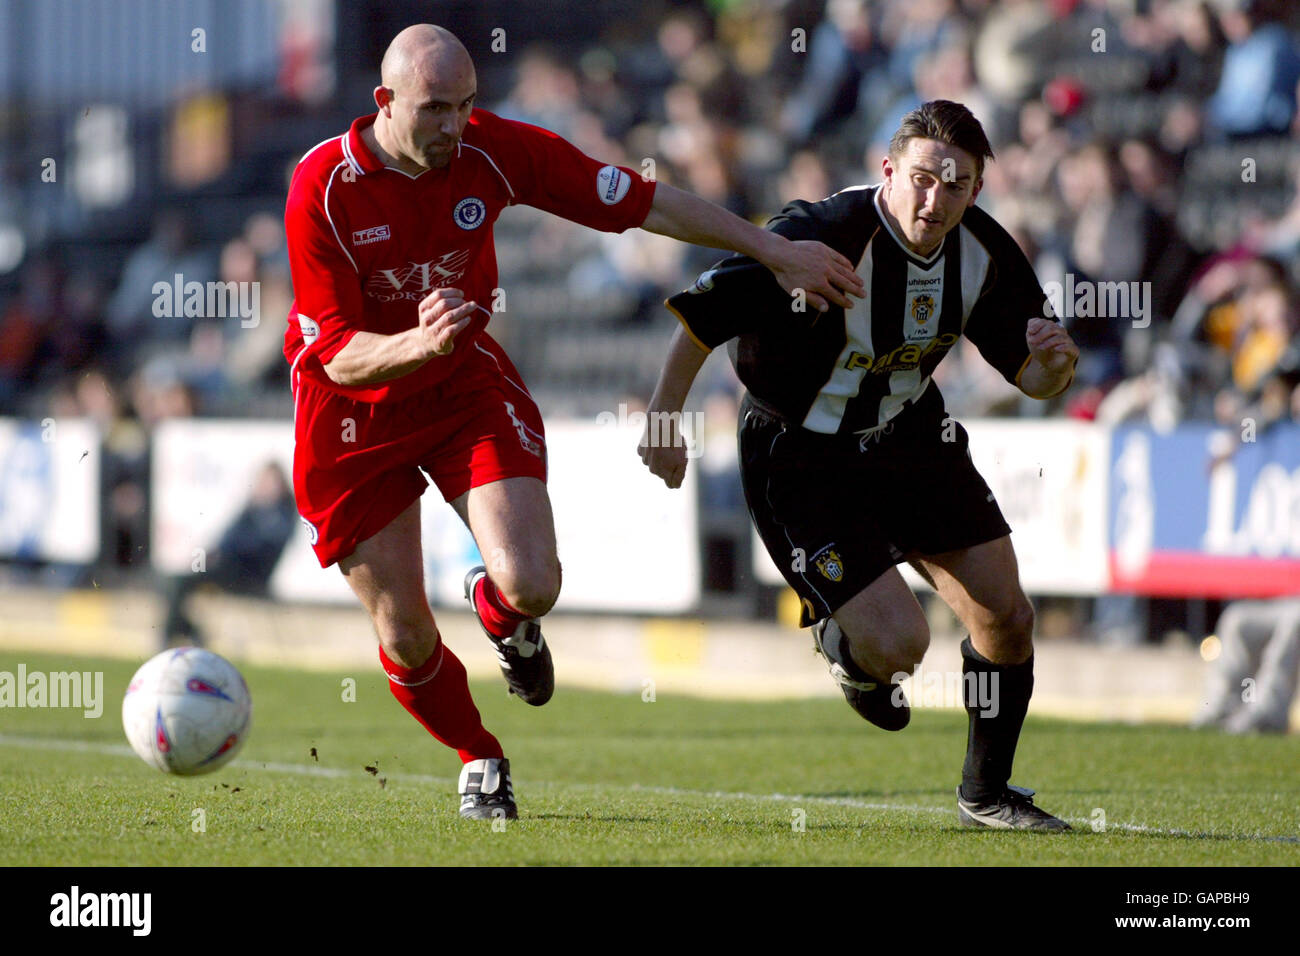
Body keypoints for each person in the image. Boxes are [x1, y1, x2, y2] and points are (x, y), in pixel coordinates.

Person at [283, 24, 862, 821]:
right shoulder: (323, 185)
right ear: (384, 102)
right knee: (407, 632)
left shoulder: (492, 150)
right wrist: (415, 340)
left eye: (466, 105)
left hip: (459, 389)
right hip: (353, 418)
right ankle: (480, 756)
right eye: (434, 110)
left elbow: (643, 201)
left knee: (532, 583)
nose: (454, 126)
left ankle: (502, 616)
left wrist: (772, 250)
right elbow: (337, 355)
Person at [640, 100, 1080, 831]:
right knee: (900, 647)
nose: (934, 200)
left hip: (910, 438)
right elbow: (702, 316)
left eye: (956, 185)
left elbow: (1032, 376)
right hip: (800, 456)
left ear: (976, 190)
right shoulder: (820, 235)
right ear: (888, 170)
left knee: (1007, 613)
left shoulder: (985, 253)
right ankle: (852, 652)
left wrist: (1055, 368)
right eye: (920, 180)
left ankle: (987, 796)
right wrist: (664, 418)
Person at [160, 461, 297, 649]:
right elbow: (227, 536)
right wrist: (214, 553)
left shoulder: (283, 512)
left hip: (248, 574)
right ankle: (186, 631)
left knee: (182, 583)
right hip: (227, 567)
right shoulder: (251, 508)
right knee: (175, 580)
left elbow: (261, 546)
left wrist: (228, 552)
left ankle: (175, 636)